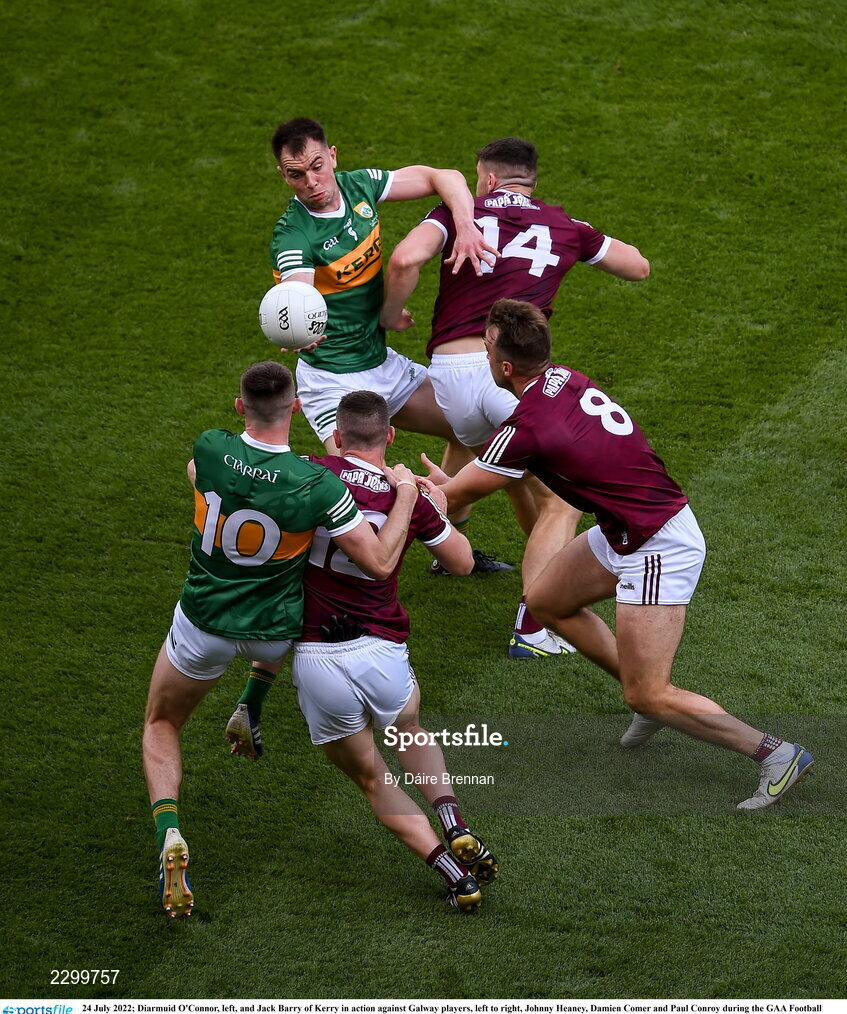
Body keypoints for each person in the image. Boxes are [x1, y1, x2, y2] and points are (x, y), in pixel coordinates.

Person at [420, 299, 814, 811]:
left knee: (647, 691)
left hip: (657, 545)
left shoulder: (529, 425)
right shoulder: (564, 378)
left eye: (488, 348)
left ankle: (775, 753)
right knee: (546, 602)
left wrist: (409, 485)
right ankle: (651, 702)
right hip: (628, 527)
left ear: (505, 367)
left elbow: (451, 499)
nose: (485, 355)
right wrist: (450, 487)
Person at [143, 362, 422, 918]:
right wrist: (409, 492)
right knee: (291, 608)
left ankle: (170, 834)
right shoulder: (317, 484)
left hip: (204, 625)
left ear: (238, 405)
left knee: (162, 723)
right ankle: (253, 700)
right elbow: (381, 560)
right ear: (295, 409)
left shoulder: (213, 445)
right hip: (276, 636)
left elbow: (195, 472)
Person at [227, 391, 498, 911]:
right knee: (409, 729)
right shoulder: (408, 494)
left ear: (339, 435)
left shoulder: (307, 472)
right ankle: (453, 819)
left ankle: (455, 878)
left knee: (374, 780)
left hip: (316, 657)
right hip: (382, 651)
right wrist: (429, 502)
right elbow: (462, 563)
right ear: (390, 435)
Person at [380, 137, 650, 656]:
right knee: (562, 501)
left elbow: (404, 260)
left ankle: (450, 539)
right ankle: (534, 622)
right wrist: (581, 244)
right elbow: (637, 266)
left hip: (450, 377)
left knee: (502, 465)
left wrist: (390, 315)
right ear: (532, 178)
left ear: (484, 178)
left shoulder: (462, 210)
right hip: (506, 378)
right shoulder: (565, 226)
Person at [267, 116, 509, 575]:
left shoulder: (360, 187)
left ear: (333, 155)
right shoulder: (294, 236)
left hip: (382, 363)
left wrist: (465, 223)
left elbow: (447, 178)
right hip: (333, 384)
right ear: (284, 176)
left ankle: (450, 537)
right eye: (297, 174)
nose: (312, 182)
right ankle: (327, 582)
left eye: (318, 166)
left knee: (470, 425)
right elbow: (297, 285)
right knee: (354, 494)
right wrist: (301, 318)